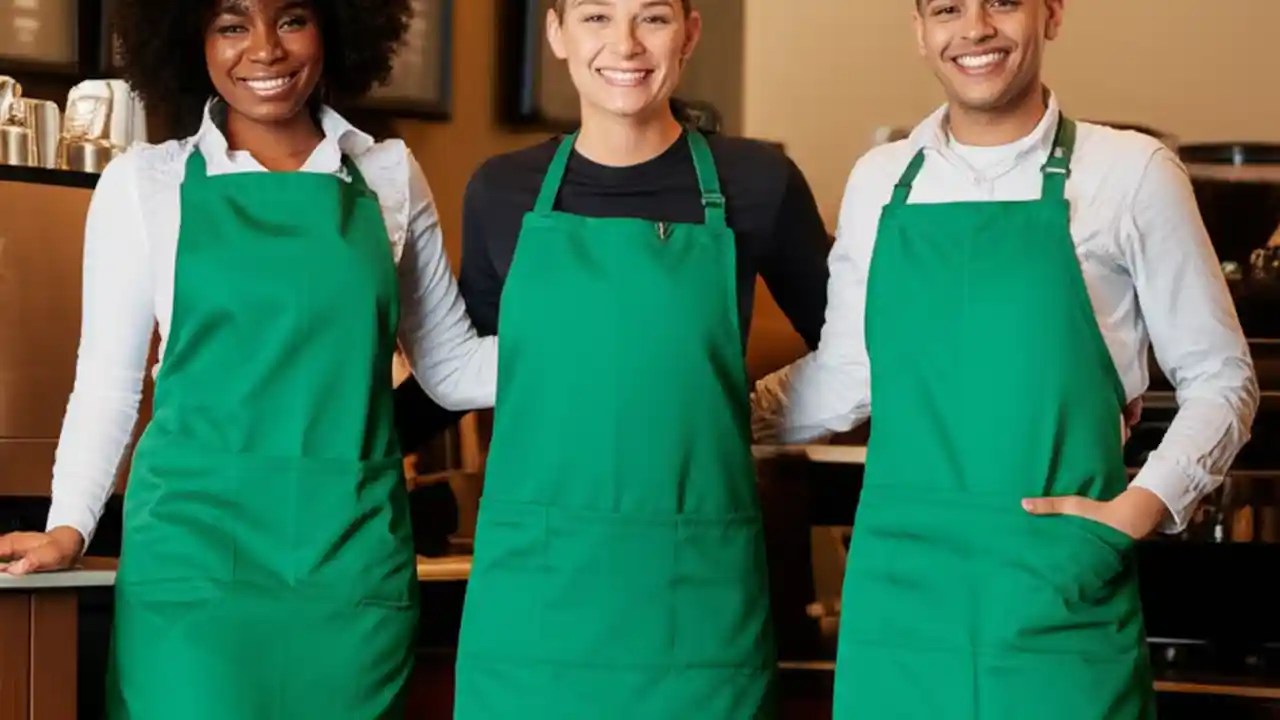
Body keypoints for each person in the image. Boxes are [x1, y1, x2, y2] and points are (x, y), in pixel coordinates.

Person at [753, 0, 1258, 718]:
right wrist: (709, 422)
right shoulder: (880, 180)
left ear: (1051, 14)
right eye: (948, 8)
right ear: (920, 31)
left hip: (1057, 587)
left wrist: (1140, 509)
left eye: (1003, 3)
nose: (976, 28)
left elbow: (1222, 377)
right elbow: (846, 374)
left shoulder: (1130, 174)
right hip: (901, 597)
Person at [0, 0, 496, 717]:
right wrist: (68, 524)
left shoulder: (389, 175)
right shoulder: (147, 184)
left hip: (347, 569)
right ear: (190, 40)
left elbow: (449, 368)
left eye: (291, 19)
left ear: (334, 27)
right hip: (192, 574)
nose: (265, 49)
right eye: (232, 25)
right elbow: (107, 384)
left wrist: (609, 350)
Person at [450, 0, 831, 717]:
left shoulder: (758, 183)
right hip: (535, 600)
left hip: (694, 599)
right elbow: (463, 370)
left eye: (651, 17)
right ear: (557, 31)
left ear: (690, 30)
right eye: (595, 16)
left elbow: (855, 351)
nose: (624, 44)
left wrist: (748, 415)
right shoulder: (500, 191)